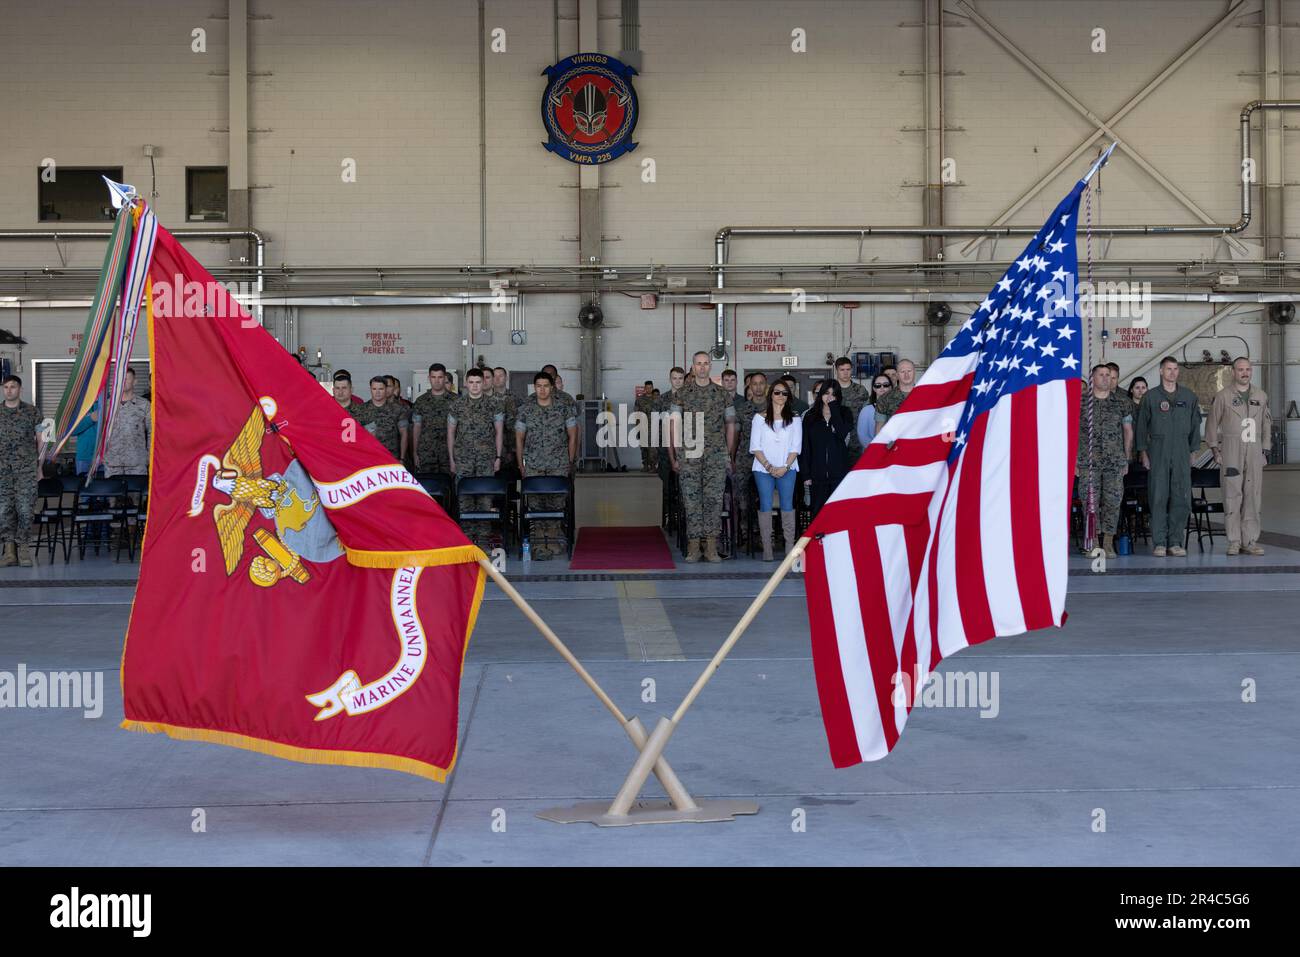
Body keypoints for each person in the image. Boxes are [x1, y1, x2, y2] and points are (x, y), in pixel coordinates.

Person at [669, 351, 736, 563]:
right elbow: (674, 425)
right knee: (691, 500)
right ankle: (694, 547)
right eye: (698, 364)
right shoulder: (681, 393)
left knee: (714, 500)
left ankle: (711, 546)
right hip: (689, 455)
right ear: (692, 365)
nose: (702, 367)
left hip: (716, 456)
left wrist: (729, 455)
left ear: (710, 366)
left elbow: (731, 425)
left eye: (706, 363)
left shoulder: (722, 393)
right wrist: (676, 455)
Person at [1134, 356, 1202, 558]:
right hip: (1158, 451)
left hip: (1181, 451)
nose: (1172, 372)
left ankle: (1175, 542)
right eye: (1168, 369)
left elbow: (1195, 426)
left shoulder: (1189, 396)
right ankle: (1160, 543)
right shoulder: (1151, 397)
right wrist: (1143, 452)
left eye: (1175, 369)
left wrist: (1193, 450)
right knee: (1158, 497)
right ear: (1161, 371)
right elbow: (1141, 427)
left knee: (1181, 498)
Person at [1205, 357, 1271, 556]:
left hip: (1254, 450)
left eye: (1248, 369)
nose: (1245, 373)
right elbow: (1211, 424)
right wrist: (1215, 450)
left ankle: (1249, 540)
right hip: (1231, 450)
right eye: (1240, 369)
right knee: (1232, 494)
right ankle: (1234, 541)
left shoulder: (1261, 395)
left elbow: (1267, 424)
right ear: (1233, 372)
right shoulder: (1223, 396)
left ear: (1251, 372)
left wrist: (1265, 451)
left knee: (1253, 495)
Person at [515, 371, 578, 560]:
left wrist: (569, 461)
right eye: (539, 386)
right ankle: (538, 545)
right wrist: (521, 464)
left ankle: (551, 541)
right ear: (534, 388)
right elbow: (519, 439)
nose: (542, 390)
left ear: (552, 387)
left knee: (555, 506)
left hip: (557, 465)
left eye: (546, 386)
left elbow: (573, 436)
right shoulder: (525, 409)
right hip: (533, 465)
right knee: (535, 507)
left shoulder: (563, 407)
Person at [1076, 364, 1133, 558]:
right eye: (1101, 375)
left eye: (1108, 375)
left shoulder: (1121, 402)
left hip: (1114, 461)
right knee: (1089, 502)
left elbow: (1128, 431)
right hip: (1087, 462)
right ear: (1092, 378)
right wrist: (1075, 460)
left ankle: (1108, 543)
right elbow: (1071, 432)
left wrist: (1126, 458)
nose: (1105, 378)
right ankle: (1092, 542)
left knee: (1113, 501)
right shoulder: (1081, 402)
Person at [749, 379, 802, 561]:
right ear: (770, 394)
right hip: (764, 468)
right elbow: (755, 446)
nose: (780, 396)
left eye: (784, 393)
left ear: (789, 396)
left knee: (787, 506)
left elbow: (796, 447)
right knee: (765, 505)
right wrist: (769, 467)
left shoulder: (795, 418)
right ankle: (767, 549)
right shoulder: (759, 418)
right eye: (777, 392)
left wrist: (785, 466)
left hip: (788, 467)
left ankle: (789, 548)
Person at [448, 367, 504, 527]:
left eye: (478, 382)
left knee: (485, 499)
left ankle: (483, 539)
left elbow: (499, 433)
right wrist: (452, 459)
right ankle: (467, 540)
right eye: (471, 382)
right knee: (464, 500)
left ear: (483, 382)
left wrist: (498, 457)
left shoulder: (494, 404)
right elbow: (451, 434)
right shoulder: (457, 406)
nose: (474, 386)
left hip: (486, 460)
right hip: (463, 460)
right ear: (466, 384)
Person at [0, 374, 45, 568]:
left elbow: (42, 441)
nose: (9, 390)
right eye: (6, 387)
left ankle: (24, 548)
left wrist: (40, 467)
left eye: (13, 387)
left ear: (20, 389)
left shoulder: (33, 412)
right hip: (2, 471)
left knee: (26, 510)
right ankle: (9, 551)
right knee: (3, 511)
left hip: (26, 470)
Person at [801, 379, 853, 518]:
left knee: (839, 515)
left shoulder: (845, 412)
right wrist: (806, 475)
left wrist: (834, 408)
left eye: (833, 394)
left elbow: (842, 433)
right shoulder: (810, 416)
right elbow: (805, 446)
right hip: (817, 475)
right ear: (820, 394)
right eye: (826, 393)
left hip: (839, 474)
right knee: (818, 515)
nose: (829, 397)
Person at [731, 371, 767, 517]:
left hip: (768, 458)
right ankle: (745, 530)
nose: (758, 387)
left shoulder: (775, 408)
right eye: (754, 384)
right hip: (745, 458)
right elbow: (736, 436)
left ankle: (766, 529)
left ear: (766, 385)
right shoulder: (741, 410)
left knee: (765, 496)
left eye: (761, 383)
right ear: (749, 386)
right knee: (742, 498)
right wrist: (732, 459)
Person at [103, 367, 151, 477]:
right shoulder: (108, 405)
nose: (123, 382)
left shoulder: (144, 405)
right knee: (113, 492)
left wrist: (149, 456)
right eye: (120, 379)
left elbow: (151, 432)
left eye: (127, 379)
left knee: (135, 493)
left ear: (135, 381)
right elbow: (100, 432)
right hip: (112, 461)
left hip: (137, 462)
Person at [411, 363, 454, 474]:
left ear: (444, 378)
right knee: (428, 485)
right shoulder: (421, 401)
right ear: (429, 378)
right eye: (433, 377)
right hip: (427, 452)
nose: (437, 380)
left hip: (449, 453)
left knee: (449, 486)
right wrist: (415, 452)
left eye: (440, 377)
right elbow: (417, 427)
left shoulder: (456, 401)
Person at [354, 375, 409, 460]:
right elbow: (357, 437)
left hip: (391, 458)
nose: (377, 392)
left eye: (381, 389)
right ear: (370, 389)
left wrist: (402, 459)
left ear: (386, 389)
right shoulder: (361, 410)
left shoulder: (397, 409)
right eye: (374, 389)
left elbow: (404, 434)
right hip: (369, 458)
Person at [833, 357, 870, 459]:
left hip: (856, 438)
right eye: (842, 370)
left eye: (848, 369)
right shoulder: (831, 390)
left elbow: (867, 413)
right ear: (836, 371)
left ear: (852, 370)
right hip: (835, 437)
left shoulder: (860, 390)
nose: (845, 373)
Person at [71, 399, 100, 476]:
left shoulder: (112, 402)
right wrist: (90, 419)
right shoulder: (80, 404)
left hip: (108, 457)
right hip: (84, 457)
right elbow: (72, 430)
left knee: (108, 486)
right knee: (83, 486)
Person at [634, 381, 658, 471]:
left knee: (653, 448)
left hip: (653, 427)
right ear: (644, 388)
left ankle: (653, 465)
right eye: (647, 388)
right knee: (644, 447)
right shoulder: (639, 400)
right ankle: (645, 465)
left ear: (652, 388)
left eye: (650, 388)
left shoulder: (656, 399)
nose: (648, 389)